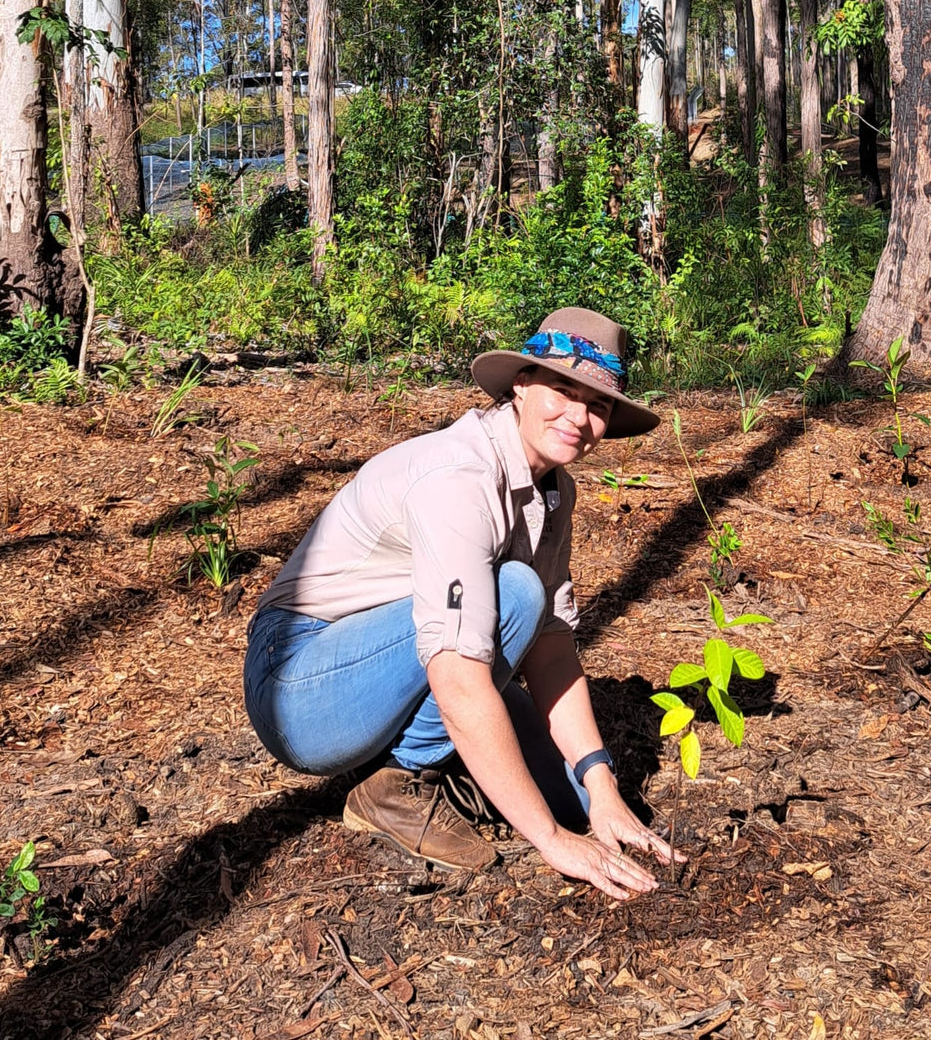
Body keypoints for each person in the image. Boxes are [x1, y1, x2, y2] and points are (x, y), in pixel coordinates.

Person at [243, 307, 682, 899]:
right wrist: (551, 841)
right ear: (521, 387)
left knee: (572, 796)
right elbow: (458, 675)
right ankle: (397, 782)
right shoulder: (459, 476)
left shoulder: (554, 489)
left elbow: (551, 645)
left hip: (389, 658)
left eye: (597, 405)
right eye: (562, 390)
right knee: (516, 593)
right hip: (298, 686)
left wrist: (601, 787)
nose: (578, 418)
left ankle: (437, 760)